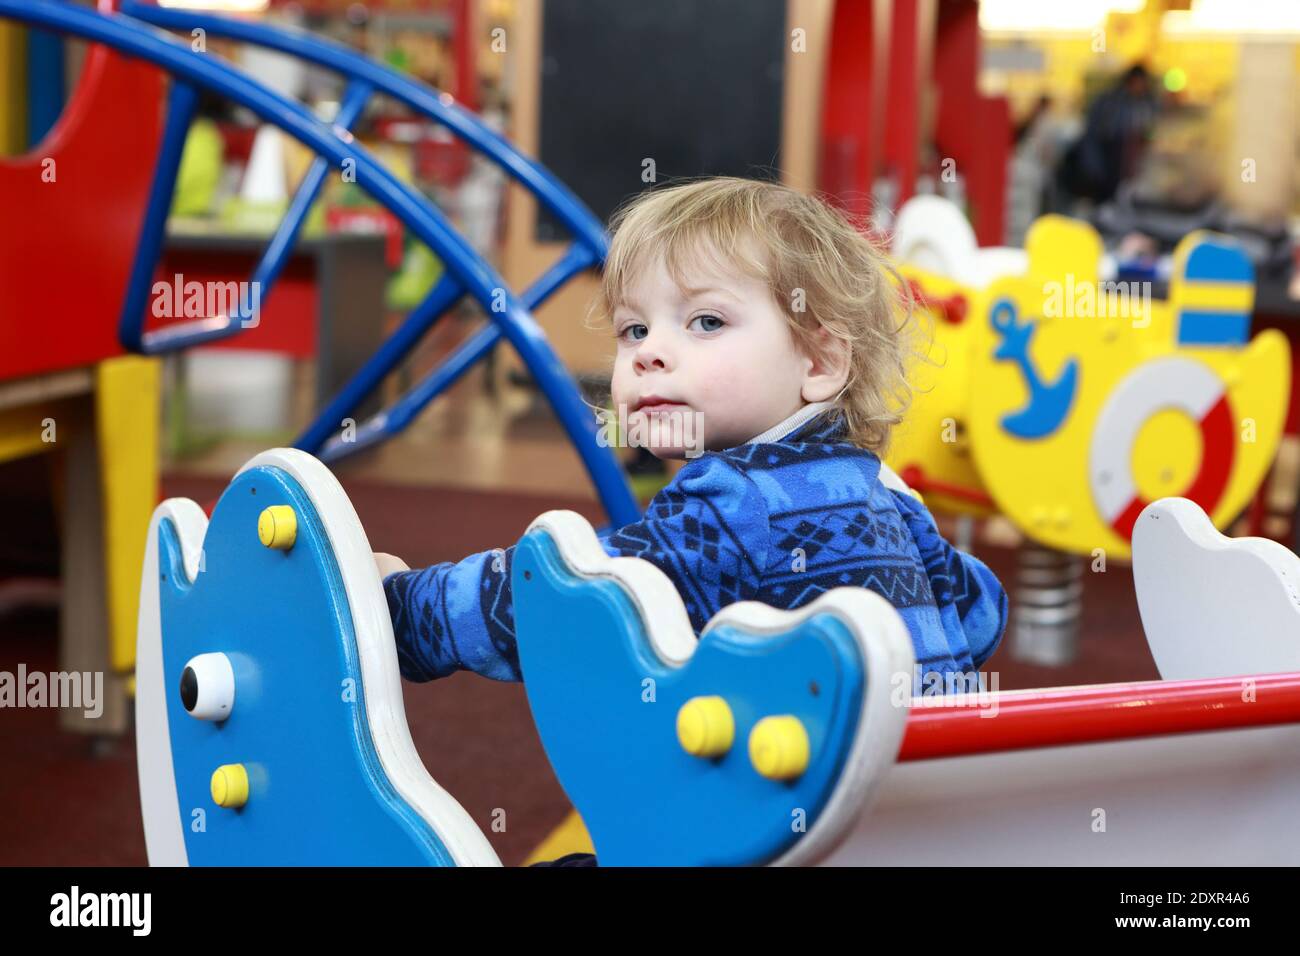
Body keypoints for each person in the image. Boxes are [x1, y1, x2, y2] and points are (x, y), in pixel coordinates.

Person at [375, 176, 1007, 694]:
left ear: (819, 362)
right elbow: (982, 612)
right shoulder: (891, 501)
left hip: (795, 833)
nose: (651, 354)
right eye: (633, 330)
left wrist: (403, 610)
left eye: (706, 321)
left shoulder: (738, 506)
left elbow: (570, 598)